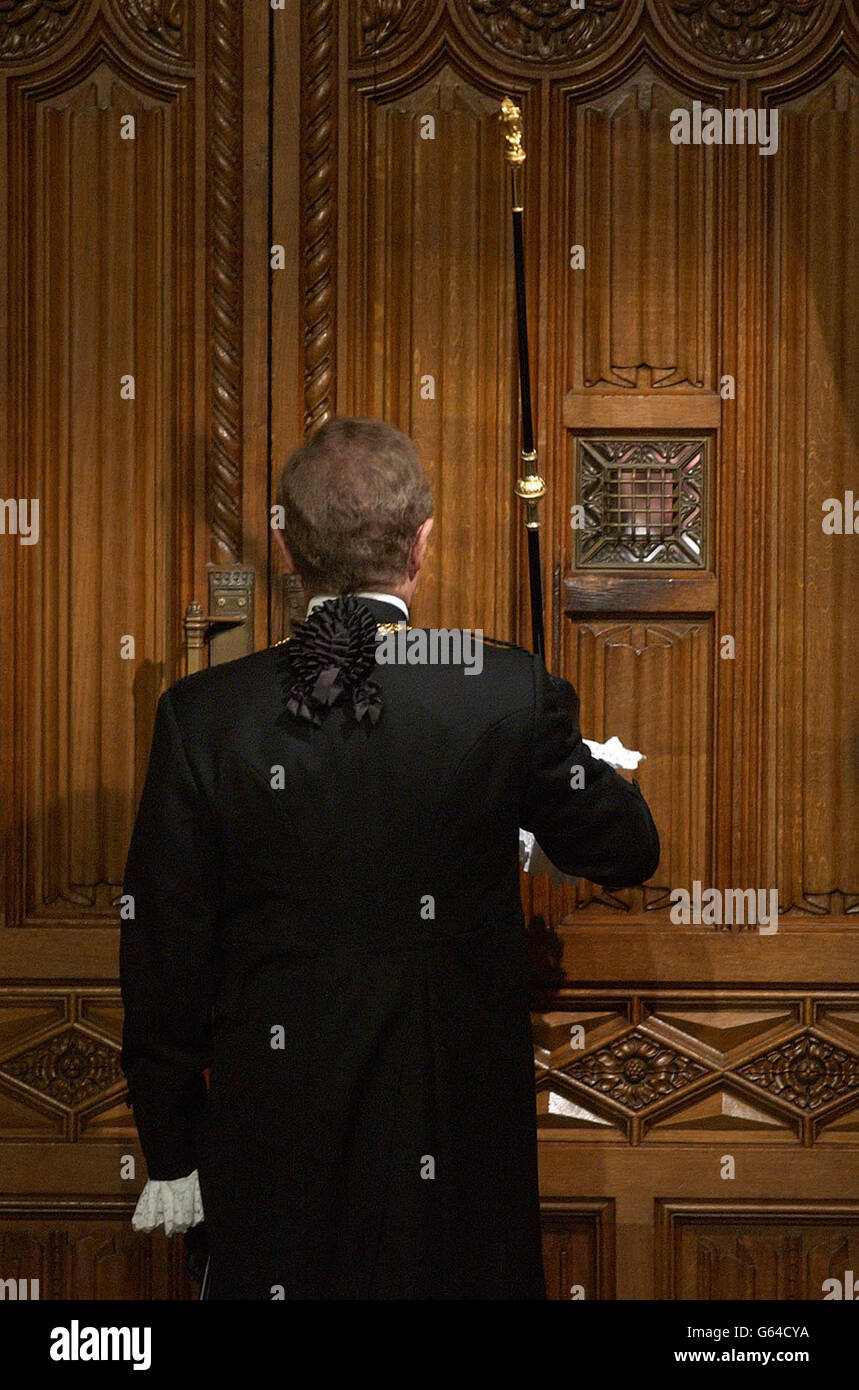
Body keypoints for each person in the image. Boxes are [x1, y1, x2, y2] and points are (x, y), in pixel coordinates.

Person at [120, 416, 660, 1300]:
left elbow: (162, 954)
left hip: (273, 1124)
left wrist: (172, 1152)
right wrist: (580, 767)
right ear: (422, 542)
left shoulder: (203, 713)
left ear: (288, 546)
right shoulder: (501, 688)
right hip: (452, 1129)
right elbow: (625, 852)